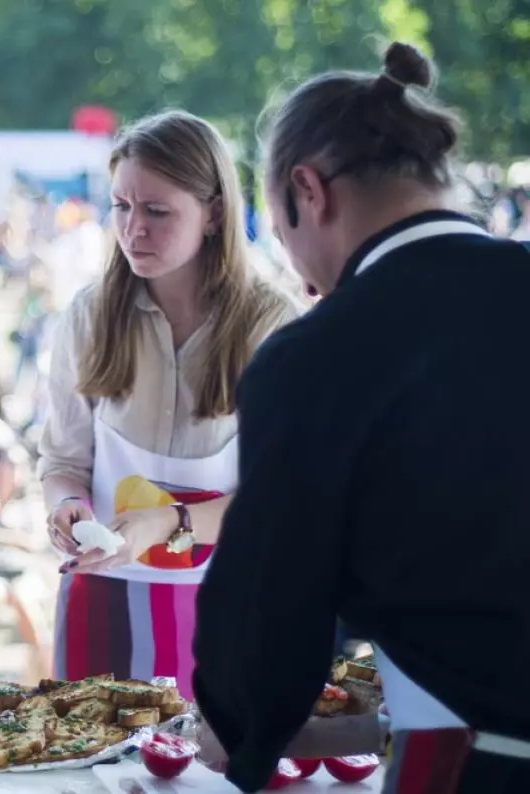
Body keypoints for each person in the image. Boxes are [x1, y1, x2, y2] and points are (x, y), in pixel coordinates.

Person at [191, 43, 530, 793]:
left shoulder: (314, 357)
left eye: (281, 234)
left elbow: (267, 618)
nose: (301, 276)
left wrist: (239, 726)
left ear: (307, 192)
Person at [42, 111, 298, 698]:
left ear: (213, 213)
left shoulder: (272, 323)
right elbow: (62, 462)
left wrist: (170, 522)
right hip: (103, 597)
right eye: (121, 207)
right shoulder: (90, 313)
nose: (134, 230)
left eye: (157, 211)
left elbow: (284, 499)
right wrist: (67, 507)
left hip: (231, 601)